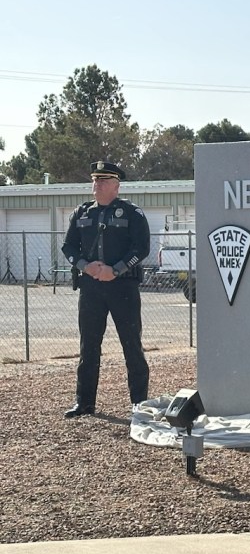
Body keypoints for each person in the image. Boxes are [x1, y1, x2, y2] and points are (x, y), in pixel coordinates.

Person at [61, 161, 151, 418]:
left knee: (131, 345)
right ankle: (84, 402)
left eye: (103, 180)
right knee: (88, 346)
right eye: (95, 180)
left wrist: (116, 269)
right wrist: (85, 266)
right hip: (91, 288)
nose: (97, 184)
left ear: (116, 185)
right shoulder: (81, 213)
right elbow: (68, 247)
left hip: (122, 288)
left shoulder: (131, 213)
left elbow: (141, 248)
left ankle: (139, 405)